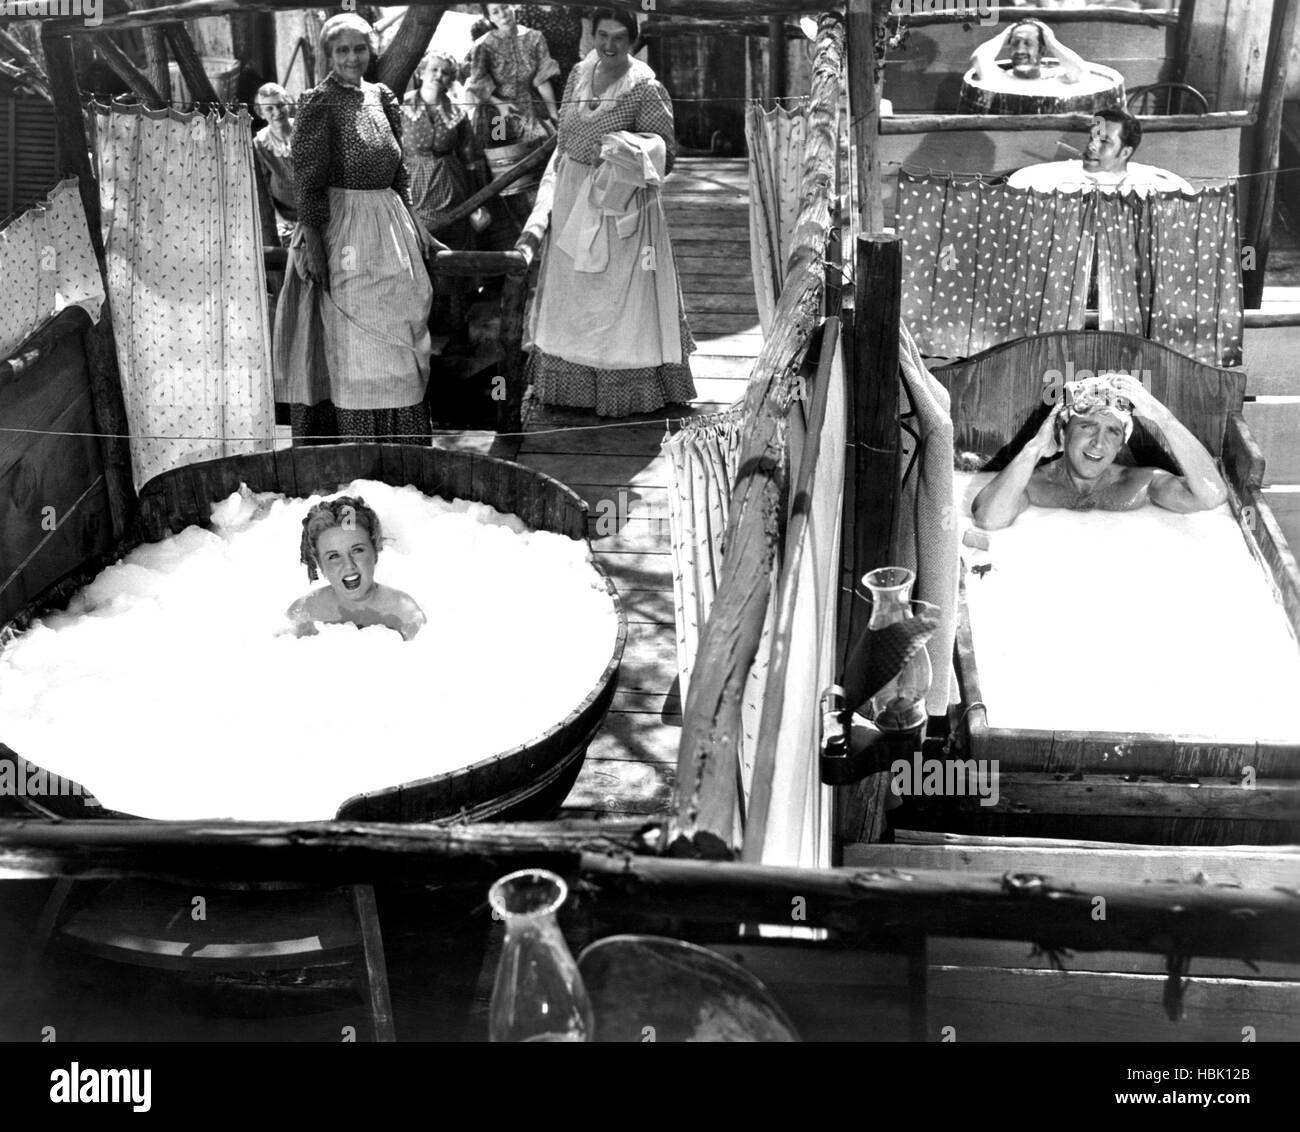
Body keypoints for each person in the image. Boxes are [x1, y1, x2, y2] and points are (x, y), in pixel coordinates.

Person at [273, 11, 441, 446]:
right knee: (353, 342)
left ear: (371, 51)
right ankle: (355, 446)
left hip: (389, 229)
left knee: (400, 331)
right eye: (342, 50)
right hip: (341, 230)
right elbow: (307, 182)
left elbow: (399, 172)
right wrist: (313, 246)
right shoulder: (317, 101)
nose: (352, 57)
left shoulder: (382, 96)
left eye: (360, 48)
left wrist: (417, 226)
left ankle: (403, 448)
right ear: (329, 54)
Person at [524, 7, 696, 417]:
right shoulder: (579, 74)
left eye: (620, 37)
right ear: (593, 36)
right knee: (575, 292)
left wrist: (629, 149)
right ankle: (572, 388)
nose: (609, 45)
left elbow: (666, 152)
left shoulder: (645, 87)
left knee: (617, 293)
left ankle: (632, 387)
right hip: (571, 196)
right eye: (603, 35)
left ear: (633, 40)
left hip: (621, 201)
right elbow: (565, 139)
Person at [971, 372, 1228, 529]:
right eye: (1087, 426)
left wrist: (1164, 419)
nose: (1098, 443)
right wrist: (1035, 448)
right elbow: (989, 520)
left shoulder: (1142, 485)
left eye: (1112, 432)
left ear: (1120, 445)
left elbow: (1211, 497)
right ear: (1063, 433)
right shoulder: (1031, 485)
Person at [466, 3, 562, 246]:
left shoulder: (534, 38)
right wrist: (498, 103)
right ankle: (513, 241)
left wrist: (553, 114)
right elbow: (478, 83)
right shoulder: (484, 44)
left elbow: (542, 79)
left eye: (505, 8)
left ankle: (540, 238)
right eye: (495, 11)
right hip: (497, 116)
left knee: (540, 169)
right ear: (489, 17)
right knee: (505, 169)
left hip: (529, 109)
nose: (503, 15)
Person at [286, 496, 426, 641]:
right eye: (334, 556)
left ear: (375, 552)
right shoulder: (304, 612)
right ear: (321, 565)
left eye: (357, 550)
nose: (348, 565)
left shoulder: (403, 612)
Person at [1007, 108, 1195, 194]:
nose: (1092, 146)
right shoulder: (1060, 180)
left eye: (1104, 141)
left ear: (1125, 153)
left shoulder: (1144, 187)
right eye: (1092, 137)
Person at [970, 19, 1088, 84]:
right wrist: (1006, 33)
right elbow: (978, 58)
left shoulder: (1053, 79)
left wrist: (1051, 42)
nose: (1020, 50)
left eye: (1028, 43)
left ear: (1042, 50)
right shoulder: (1000, 78)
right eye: (1015, 43)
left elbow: (1079, 72)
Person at [252, 82, 297, 246]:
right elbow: (262, 189)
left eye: (280, 105)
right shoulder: (260, 144)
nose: (277, 112)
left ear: (288, 104)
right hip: (285, 220)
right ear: (261, 113)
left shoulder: (305, 130)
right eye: (269, 109)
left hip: (316, 213)